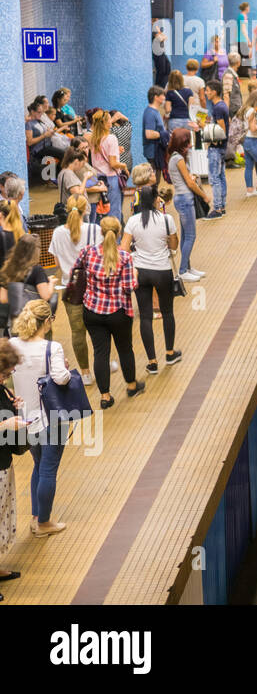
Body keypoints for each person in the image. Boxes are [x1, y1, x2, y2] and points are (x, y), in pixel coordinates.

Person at [9, 299, 71, 534]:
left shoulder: (13, 344)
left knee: (38, 465)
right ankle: (44, 523)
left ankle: (37, 515)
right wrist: (64, 367)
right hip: (50, 419)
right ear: (46, 321)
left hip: (25, 418)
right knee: (48, 470)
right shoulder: (51, 348)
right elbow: (61, 378)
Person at [73, 216, 140, 408]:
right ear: (119, 233)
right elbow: (129, 288)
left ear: (100, 232)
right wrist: (135, 275)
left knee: (100, 352)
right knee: (125, 349)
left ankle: (105, 396)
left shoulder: (87, 253)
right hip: (118, 312)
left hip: (92, 311)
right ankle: (132, 385)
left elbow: (75, 274)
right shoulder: (125, 258)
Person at [122, 185, 181, 374]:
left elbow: (123, 248)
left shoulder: (133, 221)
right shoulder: (167, 219)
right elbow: (173, 244)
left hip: (141, 272)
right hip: (162, 271)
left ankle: (152, 361)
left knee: (145, 316)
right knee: (168, 312)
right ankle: (170, 353)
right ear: (156, 199)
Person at [49, 195, 99, 372]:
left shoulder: (57, 233)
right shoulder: (95, 230)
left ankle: (85, 372)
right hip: (95, 288)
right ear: (86, 209)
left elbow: (56, 263)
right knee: (99, 331)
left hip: (71, 290)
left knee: (78, 332)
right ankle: (102, 364)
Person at [0, 342, 27, 589]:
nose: (8, 378)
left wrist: (12, 407)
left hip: (2, 461)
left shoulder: (1, 389)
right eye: (6, 373)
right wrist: (4, 426)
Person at [165, 129, 209, 281]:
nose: (190, 146)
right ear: (181, 144)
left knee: (185, 235)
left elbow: (184, 178)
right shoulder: (179, 159)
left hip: (181, 197)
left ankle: (187, 267)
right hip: (185, 199)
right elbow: (189, 183)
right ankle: (183, 270)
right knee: (191, 235)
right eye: (187, 143)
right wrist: (204, 196)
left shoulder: (173, 157)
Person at [0, 234, 53, 336]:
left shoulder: (8, 269)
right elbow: (45, 296)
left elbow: (3, 298)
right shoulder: (37, 270)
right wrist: (51, 283)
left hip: (16, 322)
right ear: (35, 251)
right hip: (35, 321)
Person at [88, 110, 129, 223]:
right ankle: (114, 239)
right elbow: (113, 164)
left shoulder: (93, 138)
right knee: (114, 212)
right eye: (109, 119)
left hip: (97, 178)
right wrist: (124, 166)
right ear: (106, 123)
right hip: (111, 179)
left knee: (101, 210)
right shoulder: (111, 138)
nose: (111, 120)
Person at [201, 81, 229, 219]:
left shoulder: (218, 108)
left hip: (216, 149)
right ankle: (222, 205)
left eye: (207, 90)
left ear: (214, 91)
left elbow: (221, 130)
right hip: (222, 148)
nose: (206, 93)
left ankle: (217, 208)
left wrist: (203, 126)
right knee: (221, 176)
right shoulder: (221, 105)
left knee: (214, 178)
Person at [221, 52, 245, 163]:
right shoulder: (229, 75)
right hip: (231, 111)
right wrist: (226, 114)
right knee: (231, 135)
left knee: (236, 134)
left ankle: (233, 156)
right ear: (238, 63)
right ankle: (229, 159)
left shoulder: (232, 74)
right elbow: (226, 94)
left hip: (235, 110)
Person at [141, 85, 167, 176]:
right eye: (162, 95)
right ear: (156, 97)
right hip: (152, 151)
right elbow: (149, 134)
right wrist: (163, 134)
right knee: (154, 181)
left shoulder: (154, 111)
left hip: (156, 151)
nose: (164, 97)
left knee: (156, 179)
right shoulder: (150, 113)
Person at [164, 69, 196, 134]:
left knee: (175, 141)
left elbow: (168, 109)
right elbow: (191, 107)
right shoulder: (189, 91)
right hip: (187, 120)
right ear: (182, 79)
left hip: (174, 120)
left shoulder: (169, 93)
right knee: (186, 142)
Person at [235, 2, 252, 66]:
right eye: (249, 7)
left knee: (244, 57)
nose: (249, 8)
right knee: (244, 57)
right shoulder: (241, 16)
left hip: (242, 39)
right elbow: (243, 29)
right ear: (246, 8)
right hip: (241, 39)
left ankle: (244, 72)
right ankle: (245, 73)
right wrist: (248, 40)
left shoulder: (244, 16)